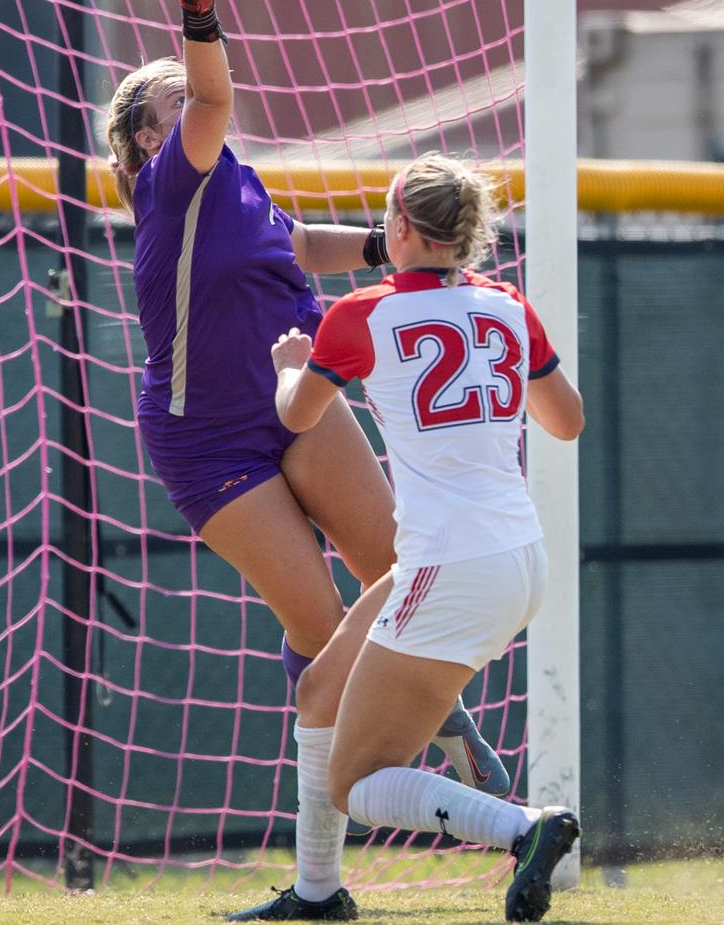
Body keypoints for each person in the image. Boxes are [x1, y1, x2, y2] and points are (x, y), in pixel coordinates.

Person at [106, 0, 510, 920]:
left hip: (296, 398)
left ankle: (429, 730)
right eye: (173, 98)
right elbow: (209, 93)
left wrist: (383, 246)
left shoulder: (229, 182)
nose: (196, 102)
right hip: (207, 442)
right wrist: (196, 8)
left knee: (400, 574)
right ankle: (324, 881)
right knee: (318, 630)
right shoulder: (173, 179)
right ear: (152, 138)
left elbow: (295, 247)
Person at [267, 155, 587, 923]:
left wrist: (288, 366)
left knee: (357, 782)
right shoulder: (507, 303)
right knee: (321, 689)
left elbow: (295, 417)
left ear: (401, 227)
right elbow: (567, 421)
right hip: (519, 557)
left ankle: (526, 828)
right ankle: (316, 895)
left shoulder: (360, 315)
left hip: (449, 565)